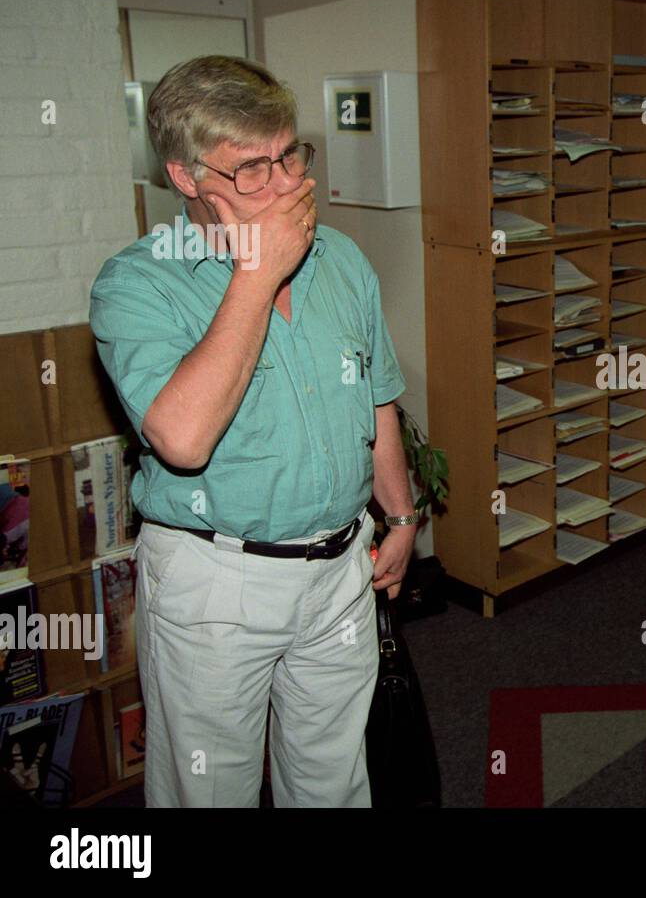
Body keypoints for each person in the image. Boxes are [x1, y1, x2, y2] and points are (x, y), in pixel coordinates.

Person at [89, 55, 418, 807]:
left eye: (289, 156)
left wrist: (400, 518)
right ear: (184, 176)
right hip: (217, 582)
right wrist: (256, 274)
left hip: (339, 568)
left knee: (334, 783)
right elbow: (182, 438)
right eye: (250, 170)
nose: (284, 186)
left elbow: (376, 402)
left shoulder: (341, 261)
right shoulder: (136, 283)